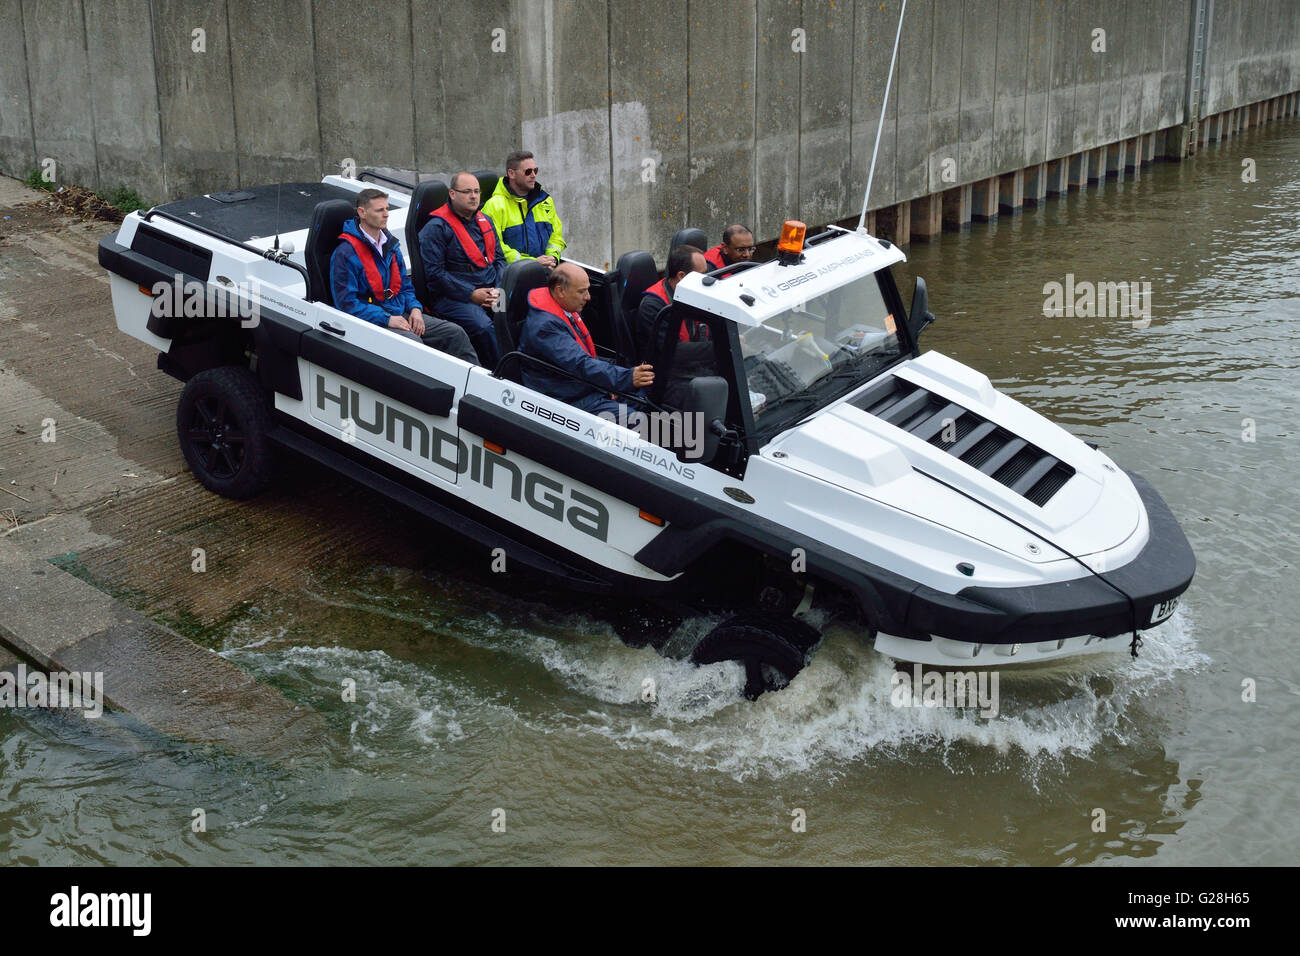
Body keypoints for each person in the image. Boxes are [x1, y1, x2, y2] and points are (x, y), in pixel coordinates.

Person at [330, 188, 479, 364]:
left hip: (401, 311)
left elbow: (404, 286)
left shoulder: (390, 244)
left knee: (454, 333)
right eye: (380, 210)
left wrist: (415, 309)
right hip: (373, 321)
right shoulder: (346, 254)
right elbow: (347, 304)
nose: (386, 214)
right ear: (362, 212)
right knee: (414, 344)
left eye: (387, 209)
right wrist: (387, 319)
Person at [520, 262, 653, 418]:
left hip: (578, 384)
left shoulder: (562, 309)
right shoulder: (545, 327)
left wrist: (613, 381)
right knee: (636, 421)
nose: (588, 297)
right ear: (560, 291)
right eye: (582, 292)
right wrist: (625, 378)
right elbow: (580, 364)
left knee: (647, 395)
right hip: (566, 395)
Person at [417, 171, 506, 367]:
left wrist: (499, 289)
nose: (473, 196)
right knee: (483, 327)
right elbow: (435, 274)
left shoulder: (485, 221)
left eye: (476, 191)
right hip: (453, 297)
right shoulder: (436, 228)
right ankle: (502, 374)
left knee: (512, 313)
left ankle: (526, 366)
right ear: (452, 194)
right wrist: (471, 294)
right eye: (467, 192)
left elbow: (499, 259)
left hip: (491, 290)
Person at [636, 245, 713, 407]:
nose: (708, 279)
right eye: (703, 275)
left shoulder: (695, 294)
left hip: (694, 368)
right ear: (681, 276)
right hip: (666, 379)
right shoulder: (654, 306)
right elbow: (674, 352)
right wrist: (719, 348)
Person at [481, 150, 567, 268]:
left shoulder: (545, 201)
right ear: (511, 174)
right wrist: (531, 263)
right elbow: (495, 247)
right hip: (512, 275)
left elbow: (556, 235)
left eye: (535, 170)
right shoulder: (494, 206)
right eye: (528, 171)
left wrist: (552, 258)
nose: (533, 175)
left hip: (546, 270)